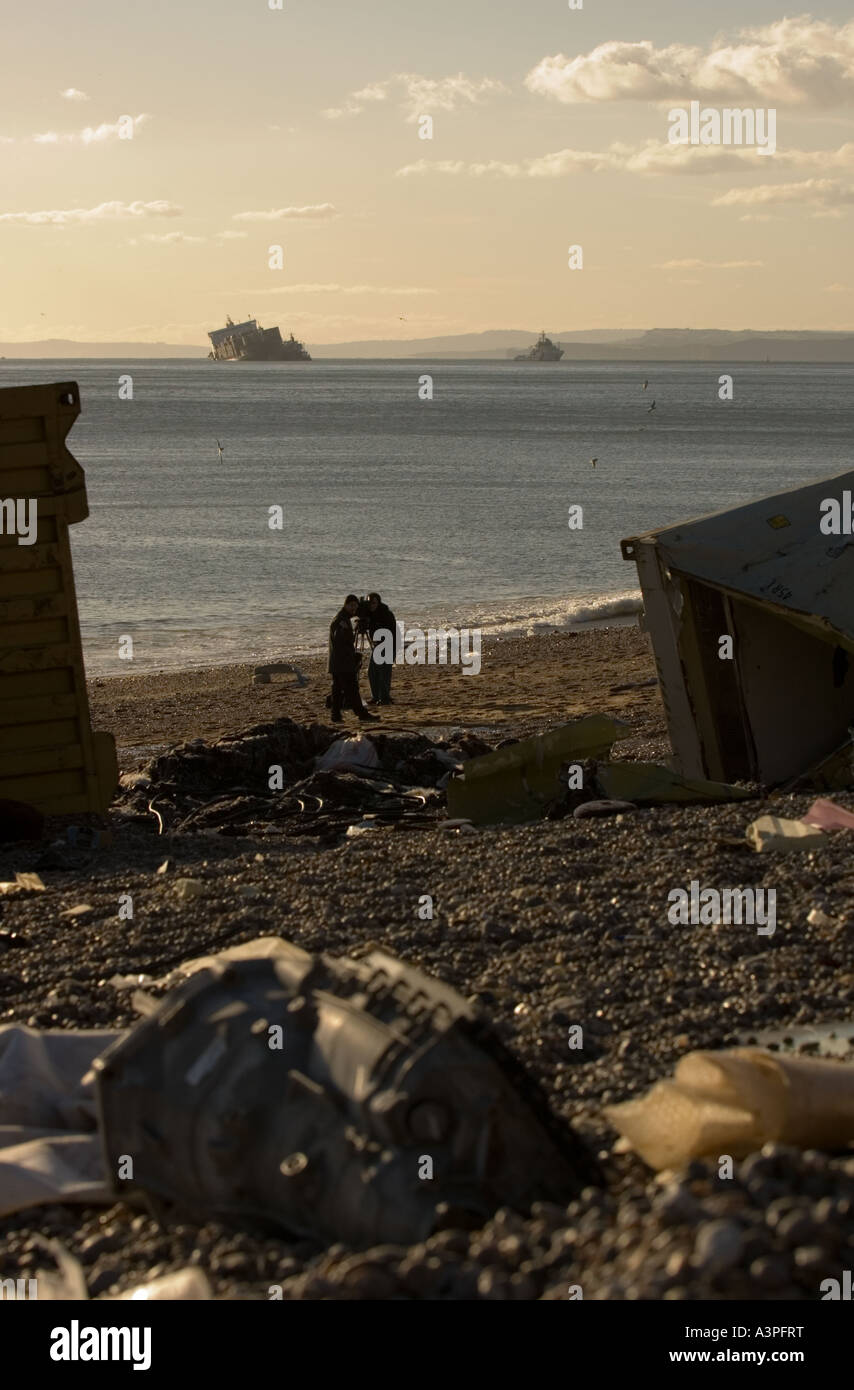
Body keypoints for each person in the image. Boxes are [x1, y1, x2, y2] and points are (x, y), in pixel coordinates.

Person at [328, 595, 379, 723]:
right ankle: (361, 714)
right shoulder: (341, 620)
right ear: (345, 605)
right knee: (352, 688)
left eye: (355, 606)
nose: (354, 609)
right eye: (351, 606)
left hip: (337, 662)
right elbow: (341, 640)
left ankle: (336, 715)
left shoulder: (342, 618)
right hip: (342, 662)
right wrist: (352, 656)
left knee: (338, 690)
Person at [366, 591, 398, 706]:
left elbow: (391, 632)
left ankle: (384, 698)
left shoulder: (386, 614)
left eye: (373, 603)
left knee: (384, 673)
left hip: (389, 645)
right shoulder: (370, 614)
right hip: (378, 646)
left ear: (378, 603)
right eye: (369, 603)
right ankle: (376, 697)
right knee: (372, 672)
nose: (371, 605)